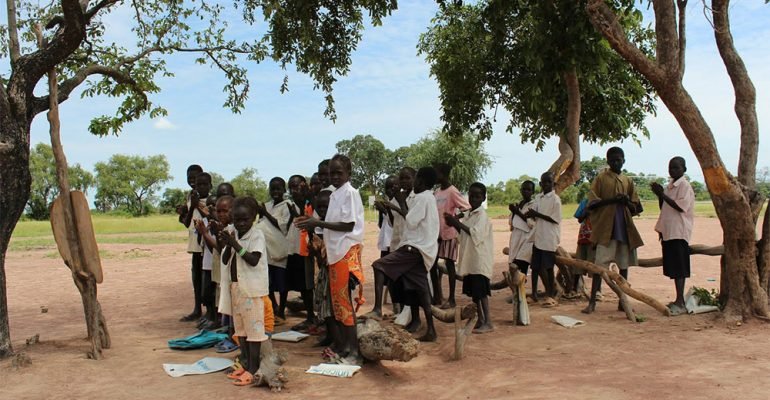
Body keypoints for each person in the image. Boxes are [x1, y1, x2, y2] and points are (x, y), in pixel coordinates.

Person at [296, 154, 366, 365]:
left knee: (344, 305)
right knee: (338, 305)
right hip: (336, 254)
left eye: (338, 172)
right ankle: (345, 347)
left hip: (345, 253)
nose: (334, 176)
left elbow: (348, 225)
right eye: (331, 173)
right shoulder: (335, 194)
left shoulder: (350, 193)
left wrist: (319, 223)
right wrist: (312, 223)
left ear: (348, 173)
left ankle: (354, 351)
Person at [372, 167, 440, 342]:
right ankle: (431, 329)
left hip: (414, 247)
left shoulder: (423, 198)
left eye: (414, 179)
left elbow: (410, 220)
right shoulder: (428, 198)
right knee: (420, 289)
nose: (409, 183)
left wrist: (401, 202)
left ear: (421, 182)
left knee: (378, 266)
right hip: (422, 250)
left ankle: (377, 309)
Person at [582, 147, 644, 314]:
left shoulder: (628, 181)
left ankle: (622, 301)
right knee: (599, 267)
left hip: (624, 230)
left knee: (623, 267)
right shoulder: (601, 179)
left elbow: (637, 208)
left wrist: (626, 202)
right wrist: (611, 200)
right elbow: (592, 204)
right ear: (608, 161)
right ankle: (593, 301)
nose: (616, 162)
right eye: (613, 160)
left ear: (624, 160)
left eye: (619, 159)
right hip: (605, 231)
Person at [217, 196, 271, 386]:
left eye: (245, 219)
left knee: (254, 331)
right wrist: (225, 243)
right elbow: (225, 261)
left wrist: (234, 244)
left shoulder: (256, 235)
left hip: (252, 291)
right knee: (241, 330)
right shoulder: (234, 233)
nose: (240, 224)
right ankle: (246, 363)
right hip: (237, 289)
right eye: (237, 220)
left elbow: (253, 260)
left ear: (253, 217)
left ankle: (254, 368)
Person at [444, 182, 494, 333]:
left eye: (478, 196)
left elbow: (475, 233)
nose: (473, 198)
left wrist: (456, 223)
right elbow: (463, 235)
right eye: (471, 195)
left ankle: (488, 321)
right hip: (470, 260)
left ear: (483, 198)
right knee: (474, 294)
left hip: (479, 261)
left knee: (482, 293)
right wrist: (454, 223)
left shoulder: (482, 216)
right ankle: (480, 319)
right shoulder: (470, 214)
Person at [652, 157, 695, 315]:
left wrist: (662, 195)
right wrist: (660, 195)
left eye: (676, 168)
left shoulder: (684, 186)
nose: (672, 171)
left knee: (680, 268)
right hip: (669, 232)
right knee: (673, 267)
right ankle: (678, 300)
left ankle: (680, 301)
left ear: (684, 169)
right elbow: (664, 207)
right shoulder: (670, 187)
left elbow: (679, 206)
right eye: (670, 168)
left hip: (679, 232)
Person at [432, 163, 471, 309]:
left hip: (449, 234)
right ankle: (437, 296)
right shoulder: (437, 192)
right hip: (436, 235)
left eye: (436, 173)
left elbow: (467, 208)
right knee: (433, 265)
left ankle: (452, 298)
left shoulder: (452, 191)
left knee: (449, 265)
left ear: (442, 174)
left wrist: (453, 220)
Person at [526, 172, 562, 306]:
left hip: (549, 237)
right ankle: (534, 293)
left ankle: (550, 294)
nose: (546, 184)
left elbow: (555, 219)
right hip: (538, 236)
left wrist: (537, 214)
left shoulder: (555, 200)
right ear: (540, 184)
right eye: (544, 182)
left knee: (548, 267)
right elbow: (533, 213)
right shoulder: (538, 198)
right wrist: (532, 215)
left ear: (554, 184)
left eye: (549, 182)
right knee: (535, 267)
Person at [259, 177, 292, 321]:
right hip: (266, 249)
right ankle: (274, 306)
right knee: (268, 282)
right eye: (273, 189)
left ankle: (282, 309)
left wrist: (265, 213)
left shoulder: (288, 206)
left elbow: (283, 226)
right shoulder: (267, 205)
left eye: (279, 188)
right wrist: (262, 212)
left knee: (282, 282)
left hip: (279, 249)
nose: (275, 192)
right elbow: (260, 223)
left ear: (284, 190)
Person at [286, 174, 316, 331]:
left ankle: (313, 317)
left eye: (297, 186)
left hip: (309, 250)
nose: (294, 190)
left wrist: (297, 215)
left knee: (309, 285)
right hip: (297, 249)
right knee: (303, 286)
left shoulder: (310, 202)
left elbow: (309, 224)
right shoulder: (293, 204)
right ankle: (310, 316)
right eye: (291, 187)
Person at [366, 175, 398, 319]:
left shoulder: (399, 203)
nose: (391, 190)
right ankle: (388, 305)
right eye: (388, 187)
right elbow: (382, 225)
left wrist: (387, 210)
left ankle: (395, 304)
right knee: (386, 274)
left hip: (395, 243)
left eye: (393, 186)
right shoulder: (387, 203)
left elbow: (396, 222)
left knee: (391, 274)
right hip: (386, 243)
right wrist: (381, 210)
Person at [179, 166, 208, 322]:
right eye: (189, 178)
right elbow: (187, 223)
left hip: (207, 243)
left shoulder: (209, 198)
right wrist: (185, 213)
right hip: (194, 244)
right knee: (196, 276)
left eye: (195, 178)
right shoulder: (191, 197)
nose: (193, 181)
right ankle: (197, 309)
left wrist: (197, 205)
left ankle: (210, 311)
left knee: (208, 278)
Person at [194, 194, 219, 330]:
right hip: (207, 263)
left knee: (216, 295)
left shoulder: (220, 223)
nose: (211, 209)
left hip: (216, 264)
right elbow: (201, 245)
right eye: (208, 206)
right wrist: (200, 232)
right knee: (207, 294)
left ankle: (215, 319)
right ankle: (210, 316)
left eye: (214, 206)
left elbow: (215, 248)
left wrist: (205, 233)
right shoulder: (204, 221)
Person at [508, 180, 536, 282]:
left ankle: (521, 294)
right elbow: (511, 222)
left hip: (526, 239)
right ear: (521, 190)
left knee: (521, 266)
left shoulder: (534, 205)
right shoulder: (519, 204)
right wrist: (514, 212)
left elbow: (532, 224)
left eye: (529, 189)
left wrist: (517, 212)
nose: (526, 191)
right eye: (524, 189)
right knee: (512, 266)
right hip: (516, 237)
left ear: (533, 192)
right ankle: (517, 294)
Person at [572, 197, 594, 295]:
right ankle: (574, 288)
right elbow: (579, 219)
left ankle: (597, 290)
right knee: (578, 263)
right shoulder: (585, 201)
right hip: (583, 236)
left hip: (594, 238)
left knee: (594, 265)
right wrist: (586, 211)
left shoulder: (601, 202)